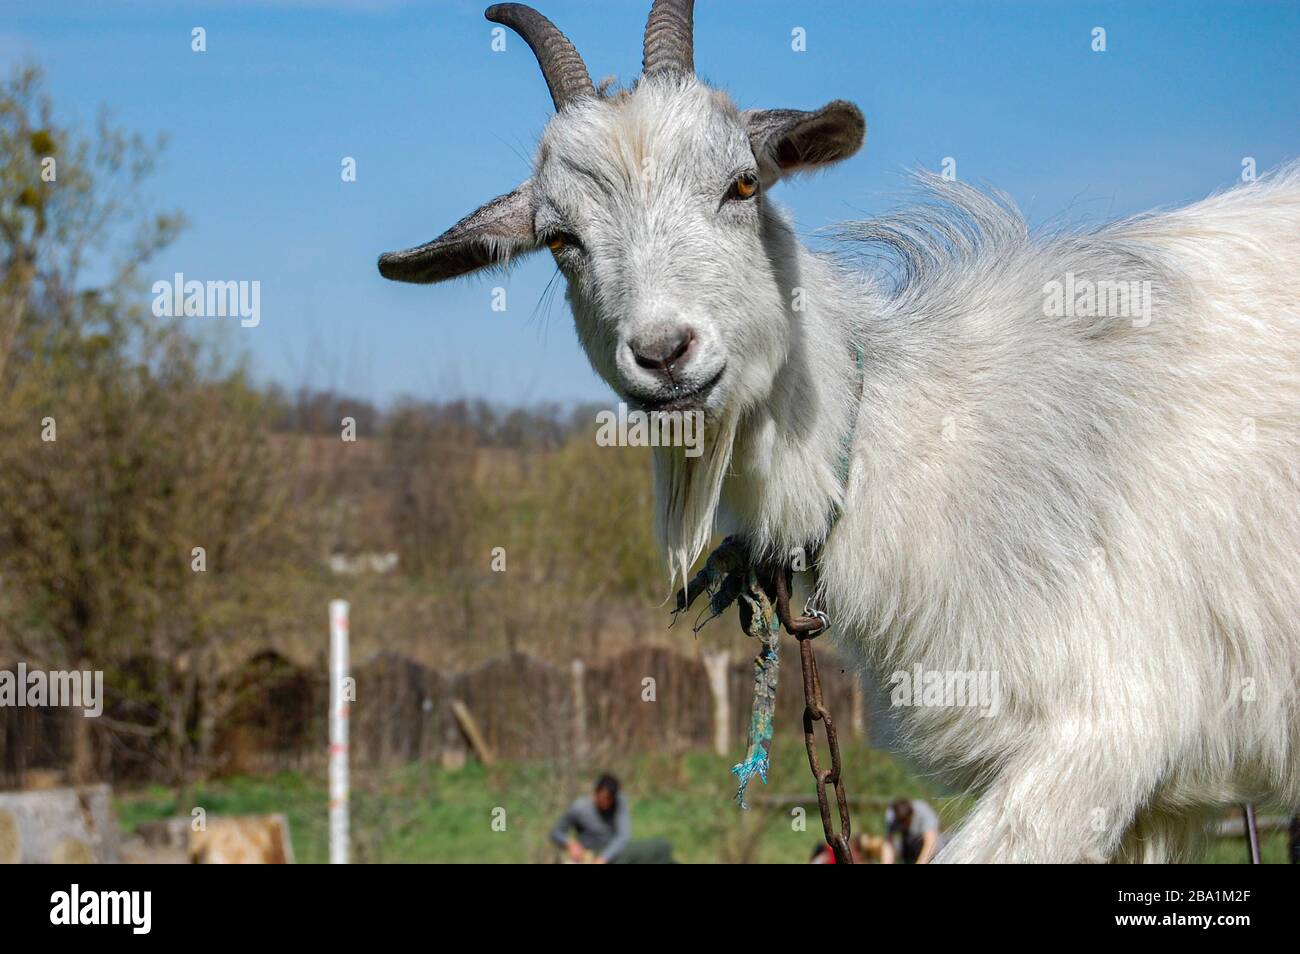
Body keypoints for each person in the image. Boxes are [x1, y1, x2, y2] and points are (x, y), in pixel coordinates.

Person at [548, 773, 674, 864]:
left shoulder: (620, 801)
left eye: (609, 800)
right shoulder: (580, 807)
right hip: (589, 854)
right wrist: (570, 843)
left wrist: (603, 858)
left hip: (614, 851)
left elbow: (623, 836)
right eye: (602, 798)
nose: (606, 803)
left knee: (661, 846)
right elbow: (555, 833)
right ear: (595, 793)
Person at [885, 798, 942, 864]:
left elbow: (931, 842)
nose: (904, 825)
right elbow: (888, 843)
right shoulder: (892, 816)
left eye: (906, 821)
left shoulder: (922, 810)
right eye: (901, 822)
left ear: (911, 814)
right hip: (907, 847)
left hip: (930, 847)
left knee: (937, 844)